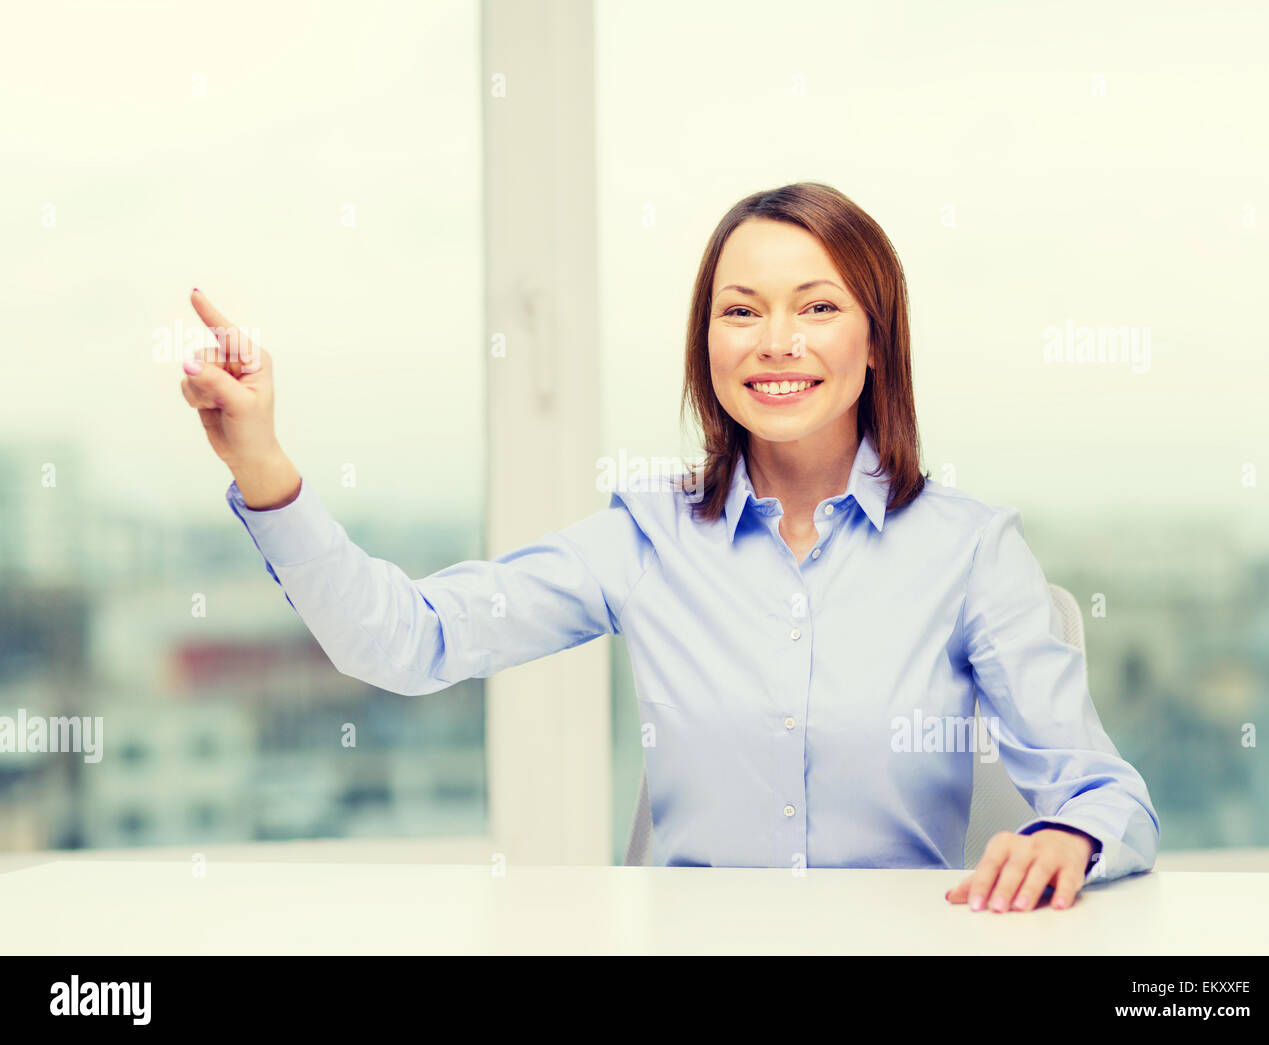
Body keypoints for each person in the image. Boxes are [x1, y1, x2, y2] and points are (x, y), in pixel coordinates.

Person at [178, 181, 1158, 913]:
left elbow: (1104, 792)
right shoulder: (644, 536)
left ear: (874, 341)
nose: (775, 340)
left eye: (816, 307)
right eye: (740, 311)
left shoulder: (969, 549)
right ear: (708, 347)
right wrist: (262, 460)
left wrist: (1069, 829)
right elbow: (406, 641)